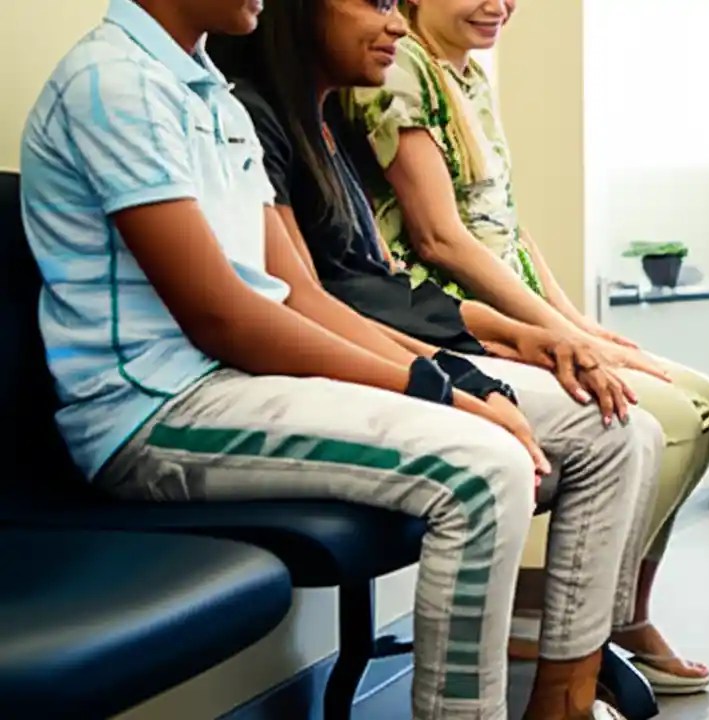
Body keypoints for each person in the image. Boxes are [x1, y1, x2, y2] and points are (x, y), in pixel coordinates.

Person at [19, 1, 637, 718]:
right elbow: (224, 318)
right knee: (484, 471)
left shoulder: (207, 90)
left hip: (232, 383)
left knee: (546, 436)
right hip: (152, 412)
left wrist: (454, 379)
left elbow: (299, 300)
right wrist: (437, 394)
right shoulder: (112, 82)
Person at [203, 2, 669, 718]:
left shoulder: (331, 130)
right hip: (325, 365)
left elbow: (387, 289)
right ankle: (564, 697)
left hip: (383, 342)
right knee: (604, 433)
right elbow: (309, 302)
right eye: (377, 3)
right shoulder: (254, 116)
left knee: (625, 424)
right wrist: (448, 377)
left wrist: (525, 337)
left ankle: (567, 694)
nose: (394, 25)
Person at [339, 0, 709, 693]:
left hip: (516, 308)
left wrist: (576, 323)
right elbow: (441, 241)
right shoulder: (400, 76)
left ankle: (620, 615)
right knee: (645, 414)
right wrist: (550, 336)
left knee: (706, 403)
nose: (498, 6)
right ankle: (579, 635)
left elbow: (508, 227)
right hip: (453, 316)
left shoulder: (471, 76)